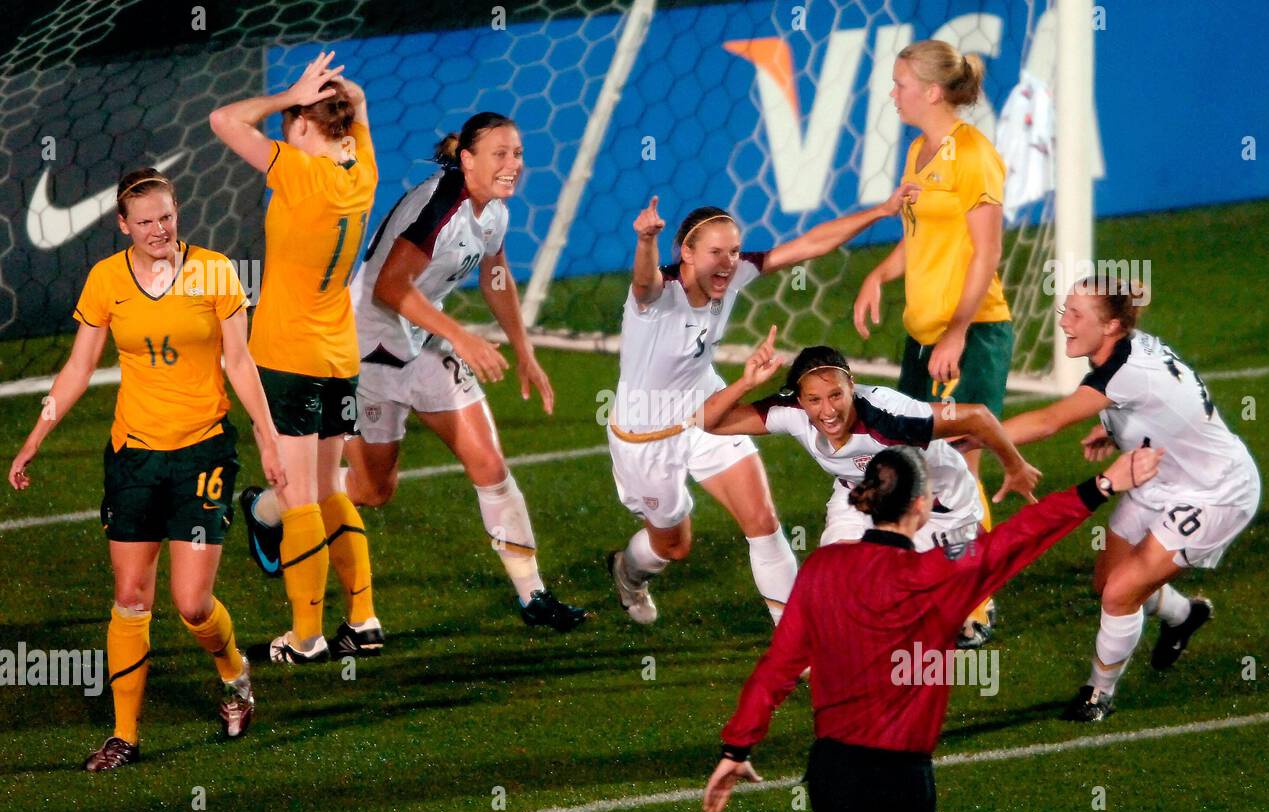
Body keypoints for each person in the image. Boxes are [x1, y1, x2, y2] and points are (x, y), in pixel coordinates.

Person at [702, 444, 1163, 812]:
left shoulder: (822, 568)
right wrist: (1102, 485)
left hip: (830, 773)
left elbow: (778, 668)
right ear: (921, 507)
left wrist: (737, 746)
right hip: (900, 778)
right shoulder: (940, 571)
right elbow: (1019, 535)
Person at [7, 168, 286, 770]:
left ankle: (235, 675)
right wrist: (36, 435)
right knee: (130, 596)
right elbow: (79, 368)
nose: (159, 229)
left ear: (177, 214)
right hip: (133, 455)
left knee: (191, 605)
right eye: (145, 221)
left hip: (203, 451)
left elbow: (239, 362)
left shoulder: (214, 271)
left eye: (167, 216)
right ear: (123, 226)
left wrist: (266, 436)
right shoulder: (106, 279)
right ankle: (124, 734)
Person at [607, 187, 917, 626]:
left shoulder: (733, 276)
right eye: (716, 252)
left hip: (709, 412)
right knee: (674, 546)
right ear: (687, 253)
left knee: (763, 520)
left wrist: (883, 211)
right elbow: (642, 280)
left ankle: (797, 642)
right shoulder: (657, 296)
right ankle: (628, 571)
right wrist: (644, 240)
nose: (729, 261)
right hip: (646, 437)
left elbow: (807, 245)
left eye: (734, 250)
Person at [334, 111, 581, 631]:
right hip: (369, 349)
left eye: (517, 154)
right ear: (467, 160)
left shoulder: (492, 211)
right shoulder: (439, 205)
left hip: (422, 344)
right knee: (374, 490)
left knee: (488, 463)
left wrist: (524, 350)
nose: (513, 165)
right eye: (500, 154)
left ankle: (532, 595)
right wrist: (462, 336)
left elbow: (495, 274)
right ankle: (271, 505)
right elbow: (389, 288)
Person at [993, 279, 1261, 720]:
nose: (1064, 322)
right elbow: (1162, 404)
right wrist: (1115, 430)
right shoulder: (1127, 349)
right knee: (1109, 584)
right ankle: (1184, 614)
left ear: (1113, 324)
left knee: (1119, 594)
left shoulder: (1126, 371)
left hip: (1215, 492)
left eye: (1078, 315)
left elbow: (1046, 422)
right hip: (1154, 471)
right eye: (1066, 310)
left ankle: (1099, 693)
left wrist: (971, 438)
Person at [698, 334, 1040, 646]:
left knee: (935, 593)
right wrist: (746, 382)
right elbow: (708, 421)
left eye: (836, 395)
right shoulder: (792, 414)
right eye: (814, 400)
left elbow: (978, 415)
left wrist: (1015, 466)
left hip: (935, 500)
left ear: (852, 385)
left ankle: (972, 598)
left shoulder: (889, 415)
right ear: (800, 401)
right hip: (861, 497)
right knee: (836, 576)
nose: (828, 411)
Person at [209, 51, 380, 663]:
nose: (284, 133)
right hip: (340, 355)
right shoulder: (361, 172)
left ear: (307, 125)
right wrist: (327, 95)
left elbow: (224, 120)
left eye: (292, 124)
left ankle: (306, 637)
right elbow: (357, 104)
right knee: (331, 489)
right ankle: (362, 618)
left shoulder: (298, 172)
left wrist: (289, 95)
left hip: (287, 354)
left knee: (301, 497)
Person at [852, 39, 1012, 641]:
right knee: (920, 462)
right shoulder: (919, 151)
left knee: (961, 465)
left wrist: (959, 328)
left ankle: (976, 605)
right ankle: (934, 582)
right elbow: (920, 240)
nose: (892, 93)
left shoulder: (975, 155)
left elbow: (987, 250)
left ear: (933, 91)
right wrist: (879, 273)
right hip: (923, 336)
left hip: (972, 333)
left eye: (900, 84)